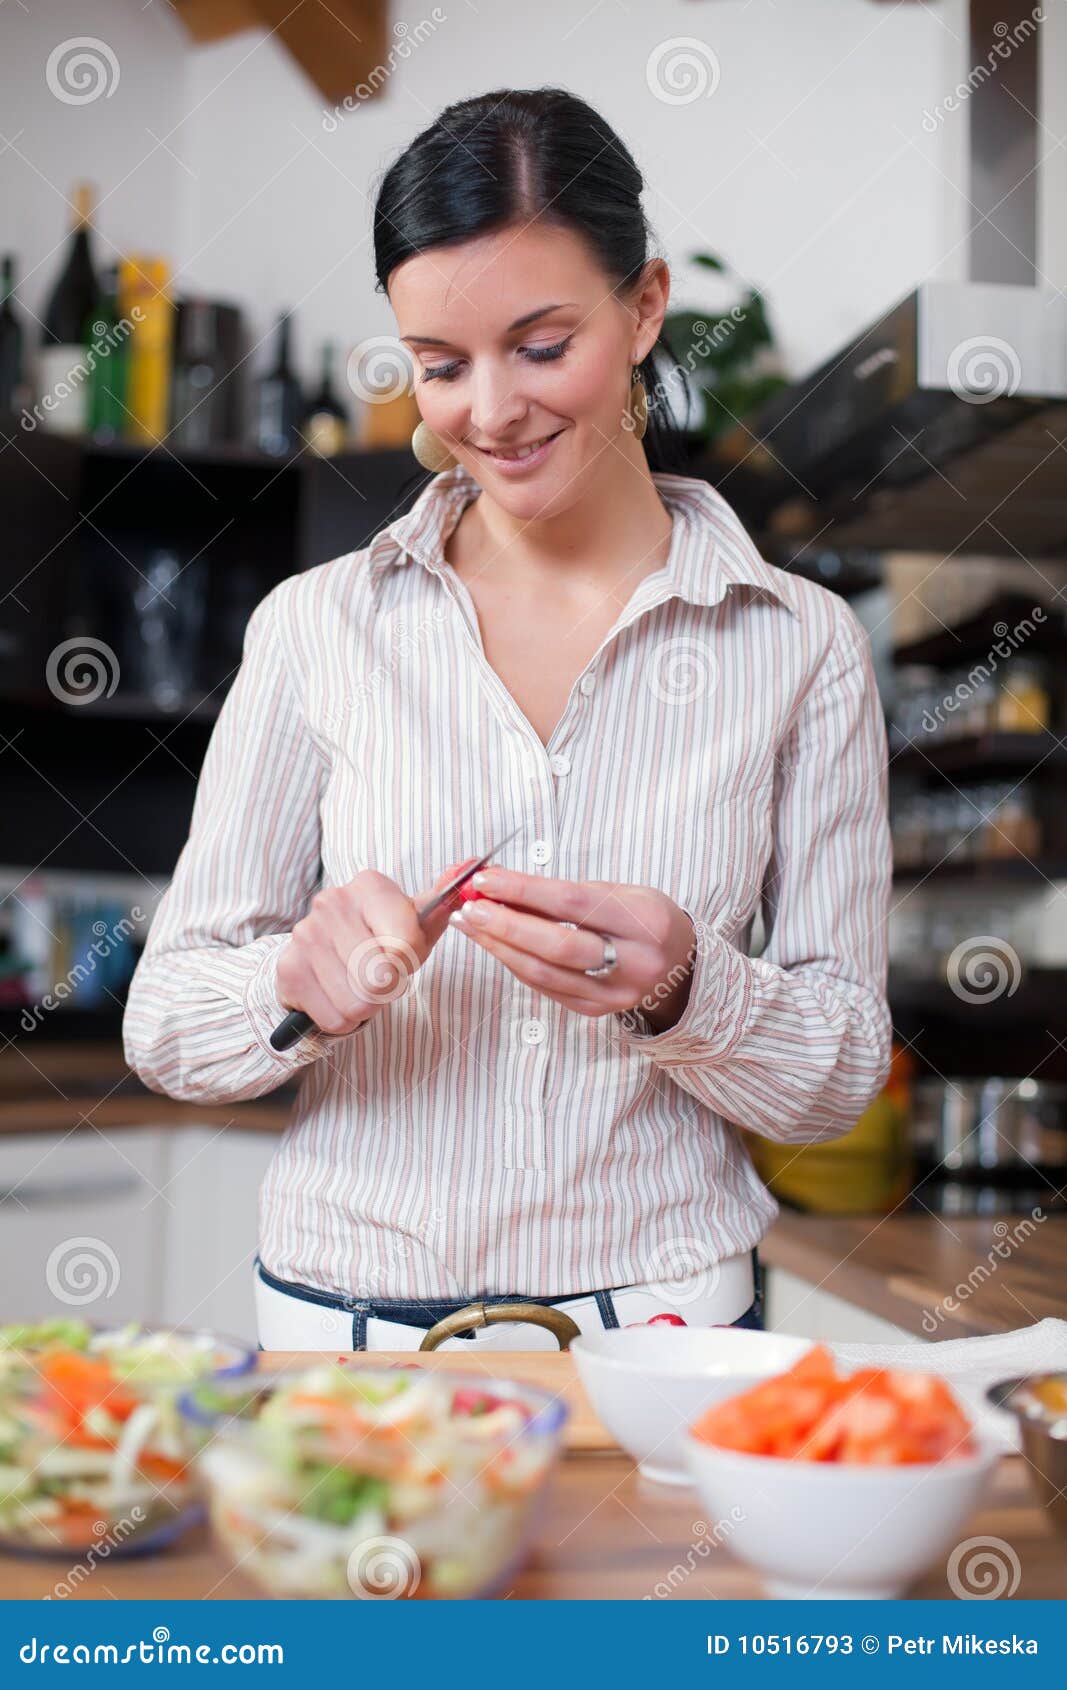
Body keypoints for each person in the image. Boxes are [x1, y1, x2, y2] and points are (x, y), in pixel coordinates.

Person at [123, 87, 892, 1353]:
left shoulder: (796, 644)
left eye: (541, 345)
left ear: (642, 306)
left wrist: (685, 991)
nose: (489, 411)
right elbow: (165, 1024)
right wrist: (290, 983)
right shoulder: (320, 626)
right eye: (439, 364)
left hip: (665, 1332)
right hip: (348, 1333)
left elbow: (840, 1069)